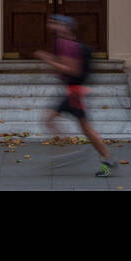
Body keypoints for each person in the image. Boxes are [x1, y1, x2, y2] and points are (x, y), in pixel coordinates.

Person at [34, 14, 115, 176]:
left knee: (57, 121)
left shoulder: (67, 45)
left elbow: (71, 69)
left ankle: (72, 149)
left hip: (74, 93)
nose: (51, 25)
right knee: (73, 125)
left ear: (65, 27)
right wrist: (49, 58)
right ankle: (103, 157)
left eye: (55, 23)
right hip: (72, 91)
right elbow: (64, 65)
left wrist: (47, 60)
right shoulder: (64, 43)